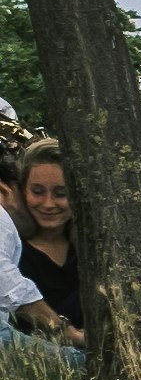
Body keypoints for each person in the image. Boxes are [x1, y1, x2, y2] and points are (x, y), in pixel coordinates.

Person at [11, 137, 85, 350]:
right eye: (38, 192)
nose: (48, 204)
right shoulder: (13, 252)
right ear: (23, 190)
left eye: (60, 194)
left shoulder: (92, 253)